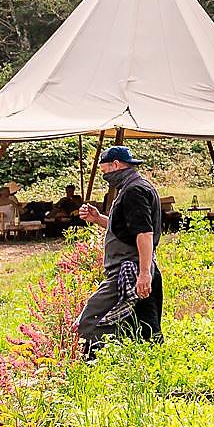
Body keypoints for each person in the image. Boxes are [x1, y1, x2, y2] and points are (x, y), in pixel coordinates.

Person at [74, 146, 164, 356]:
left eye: (105, 171)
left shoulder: (134, 191)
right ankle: (148, 363)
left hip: (129, 270)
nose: (105, 176)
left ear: (115, 164)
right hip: (141, 267)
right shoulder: (134, 187)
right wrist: (97, 219)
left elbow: (144, 233)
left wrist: (143, 273)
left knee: (91, 318)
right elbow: (127, 229)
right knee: (145, 324)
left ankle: (92, 361)